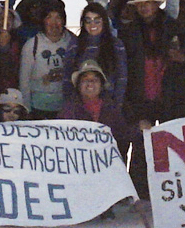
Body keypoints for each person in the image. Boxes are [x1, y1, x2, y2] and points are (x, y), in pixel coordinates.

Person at [120, 0, 185, 132]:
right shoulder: (128, 33)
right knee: (141, 149)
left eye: (147, 2)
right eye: (140, 4)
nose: (143, 7)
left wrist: (183, 58)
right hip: (140, 102)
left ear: (156, 4)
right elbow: (124, 70)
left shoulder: (174, 27)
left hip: (171, 100)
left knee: (171, 148)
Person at [58, 62, 137, 207]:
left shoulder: (111, 107)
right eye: (85, 80)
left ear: (101, 85)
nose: (90, 83)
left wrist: (140, 129)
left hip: (104, 166)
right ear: (78, 85)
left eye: (94, 79)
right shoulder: (69, 110)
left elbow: (122, 133)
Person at [18, 0, 75, 118]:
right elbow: (24, 81)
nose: (54, 23)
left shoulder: (72, 42)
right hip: (38, 108)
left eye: (58, 17)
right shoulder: (32, 45)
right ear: (43, 21)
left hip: (66, 107)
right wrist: (27, 110)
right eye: (49, 17)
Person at [65, 2, 129, 105]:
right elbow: (67, 78)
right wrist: (69, 104)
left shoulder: (116, 44)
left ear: (104, 21)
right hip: (81, 105)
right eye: (88, 21)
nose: (92, 25)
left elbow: (122, 78)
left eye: (97, 21)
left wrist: (117, 104)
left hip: (108, 104)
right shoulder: (74, 44)